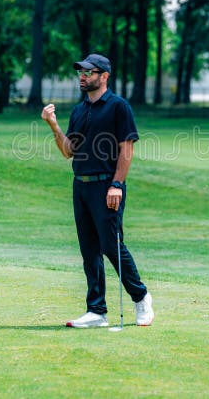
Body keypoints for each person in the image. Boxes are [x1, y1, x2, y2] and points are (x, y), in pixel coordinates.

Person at [41, 53, 154, 328]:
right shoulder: (80, 110)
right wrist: (53, 126)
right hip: (81, 185)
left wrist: (117, 184)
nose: (83, 75)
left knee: (111, 246)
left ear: (104, 76)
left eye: (89, 72)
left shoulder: (118, 106)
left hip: (107, 186)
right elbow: (69, 151)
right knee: (89, 250)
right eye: (81, 71)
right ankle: (96, 311)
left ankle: (141, 298)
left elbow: (126, 148)